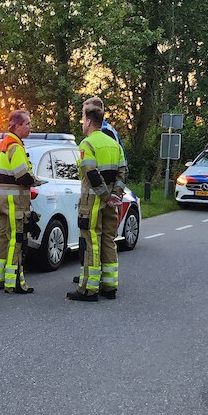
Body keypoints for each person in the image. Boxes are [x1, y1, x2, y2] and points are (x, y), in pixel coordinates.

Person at [67, 104, 128, 302]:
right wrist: (115, 195)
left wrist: (104, 195)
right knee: (108, 241)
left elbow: (91, 173)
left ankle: (89, 289)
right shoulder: (114, 144)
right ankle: (109, 286)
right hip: (111, 202)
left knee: (91, 242)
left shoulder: (87, 144)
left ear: (89, 121)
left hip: (93, 202)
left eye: (83, 119)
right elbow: (122, 172)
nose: (82, 123)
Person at [0, 109, 37, 294]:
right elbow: (23, 177)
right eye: (27, 124)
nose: (30, 127)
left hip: (1, 198)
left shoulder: (2, 144)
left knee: (3, 236)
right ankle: (14, 282)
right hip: (14, 201)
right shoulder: (15, 147)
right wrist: (36, 180)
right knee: (16, 239)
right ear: (17, 126)